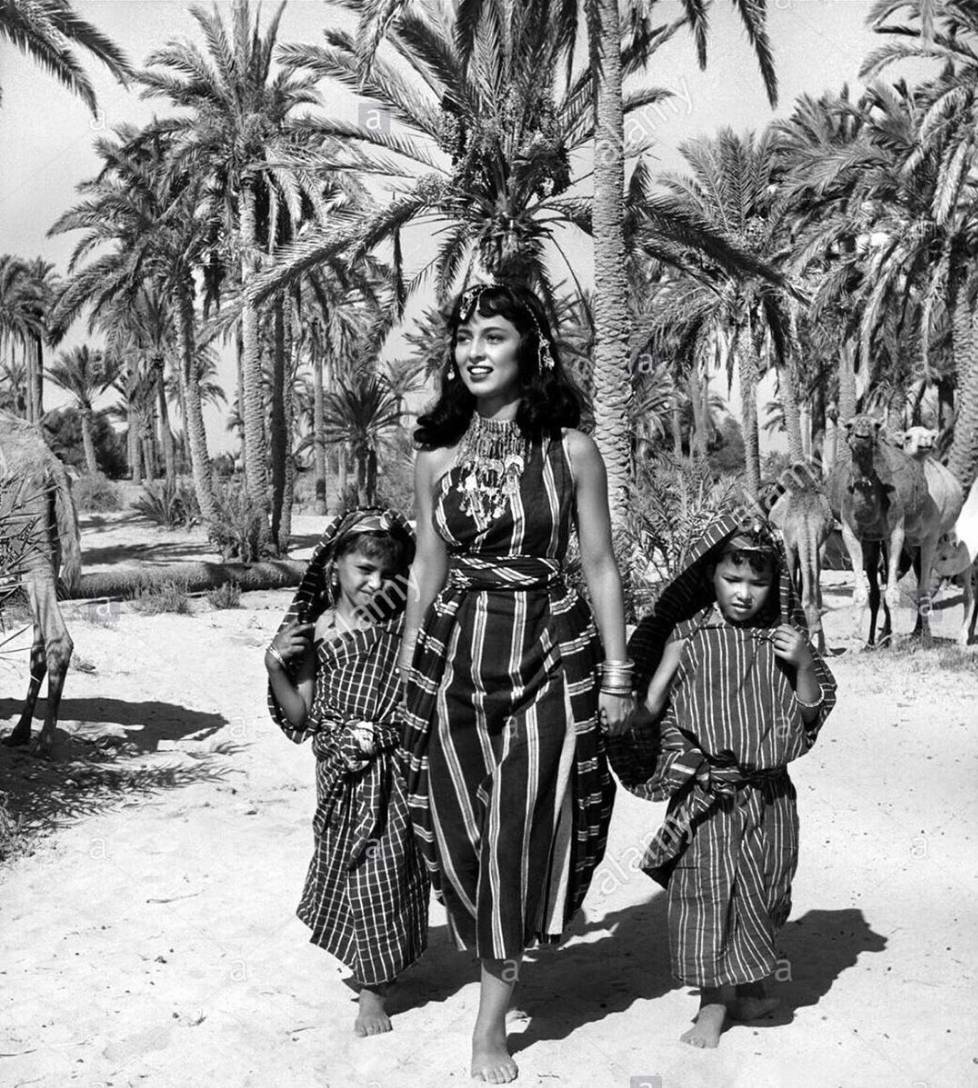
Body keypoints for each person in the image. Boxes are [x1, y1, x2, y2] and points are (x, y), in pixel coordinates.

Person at [400, 280, 631, 1084]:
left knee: (516, 831)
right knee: (459, 833)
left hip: (549, 654)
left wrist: (616, 674)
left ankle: (490, 1024)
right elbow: (427, 573)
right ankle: (504, 939)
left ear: (529, 348)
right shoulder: (434, 456)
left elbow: (600, 567)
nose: (474, 351)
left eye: (492, 335)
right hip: (454, 659)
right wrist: (407, 675)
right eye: (464, 336)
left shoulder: (571, 450)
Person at [608, 512, 836, 1049]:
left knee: (765, 891)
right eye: (733, 580)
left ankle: (752, 987)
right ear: (710, 575)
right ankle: (713, 1005)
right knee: (709, 897)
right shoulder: (687, 638)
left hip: (770, 795)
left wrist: (803, 663)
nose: (744, 593)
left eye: (758, 582)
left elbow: (810, 715)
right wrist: (659, 669)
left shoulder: (784, 640)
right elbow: (648, 715)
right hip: (708, 797)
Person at [265, 508, 429, 1036]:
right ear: (334, 564)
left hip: (392, 767)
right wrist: (274, 667)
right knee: (350, 873)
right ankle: (372, 966)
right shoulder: (316, 635)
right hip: (339, 776)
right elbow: (302, 717)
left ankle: (373, 993)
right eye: (363, 569)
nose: (374, 583)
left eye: (386, 573)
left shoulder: (401, 625)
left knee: (386, 870)